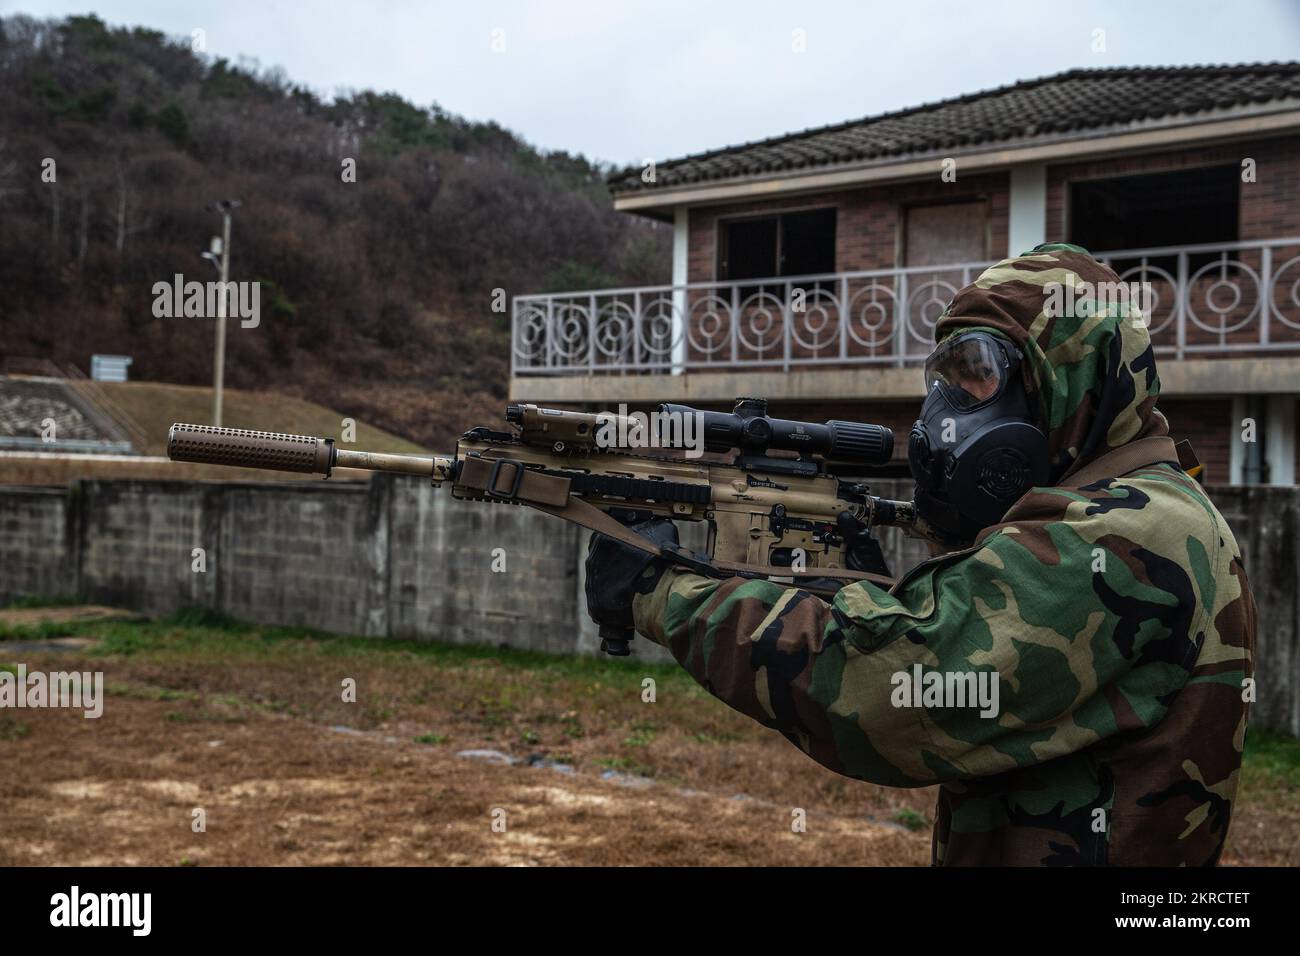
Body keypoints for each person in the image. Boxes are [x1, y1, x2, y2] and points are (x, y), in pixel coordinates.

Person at [584, 243, 1257, 866]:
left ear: (1070, 370)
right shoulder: (1139, 507)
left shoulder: (1125, 533)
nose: (948, 407)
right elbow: (971, 620)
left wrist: (661, 591)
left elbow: (883, 691)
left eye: (979, 376)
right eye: (946, 378)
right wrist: (851, 583)